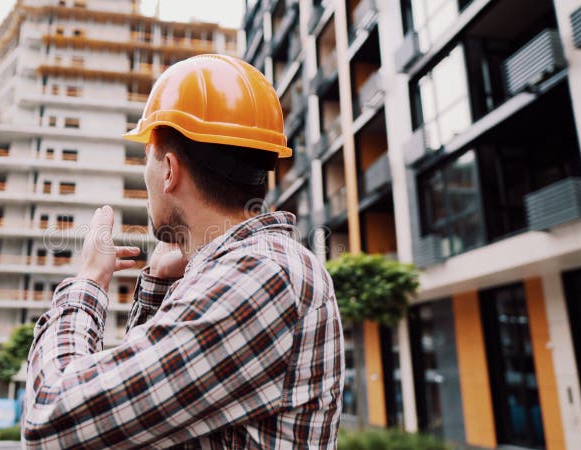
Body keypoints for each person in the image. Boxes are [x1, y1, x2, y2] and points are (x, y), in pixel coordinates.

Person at [23, 54, 344, 448]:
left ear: (170, 170)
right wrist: (159, 285)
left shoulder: (260, 275)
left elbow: (50, 417)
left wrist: (88, 281)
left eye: (147, 161)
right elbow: (139, 423)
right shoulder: (245, 272)